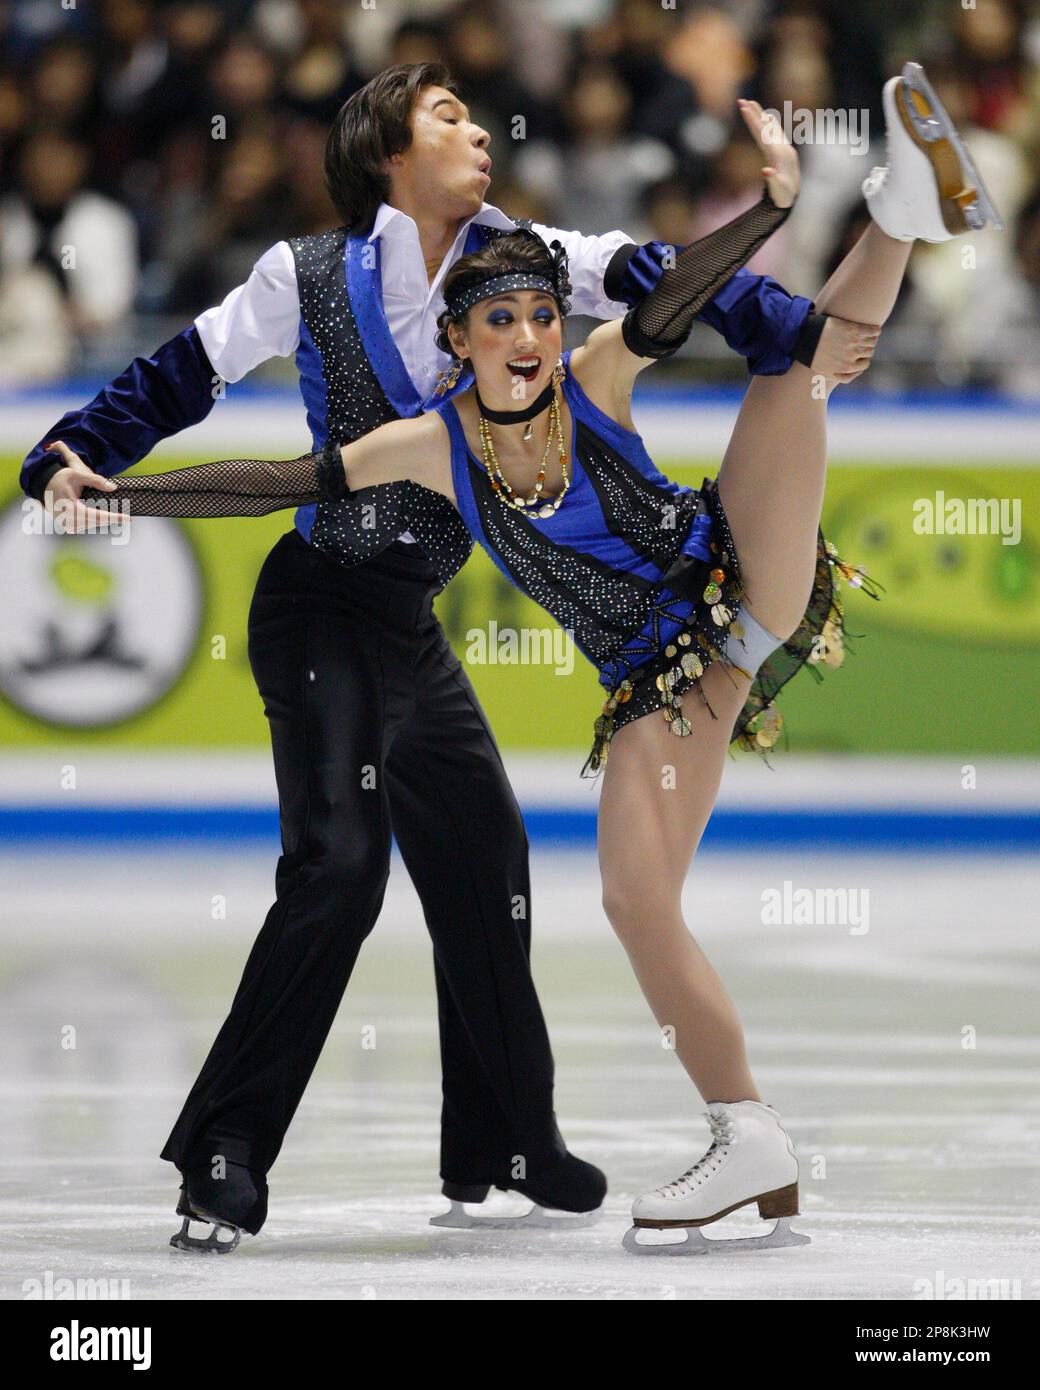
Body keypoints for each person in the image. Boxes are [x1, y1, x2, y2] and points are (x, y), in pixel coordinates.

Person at [26, 64, 885, 1254]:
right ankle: (222, 1152)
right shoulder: (303, 275)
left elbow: (652, 288)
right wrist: (80, 464)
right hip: (318, 608)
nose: (478, 129)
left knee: (487, 856)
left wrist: (778, 262)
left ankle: (505, 1138)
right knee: (339, 869)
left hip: (406, 625)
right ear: (384, 148)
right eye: (445, 117)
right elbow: (181, 381)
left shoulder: (520, 261)